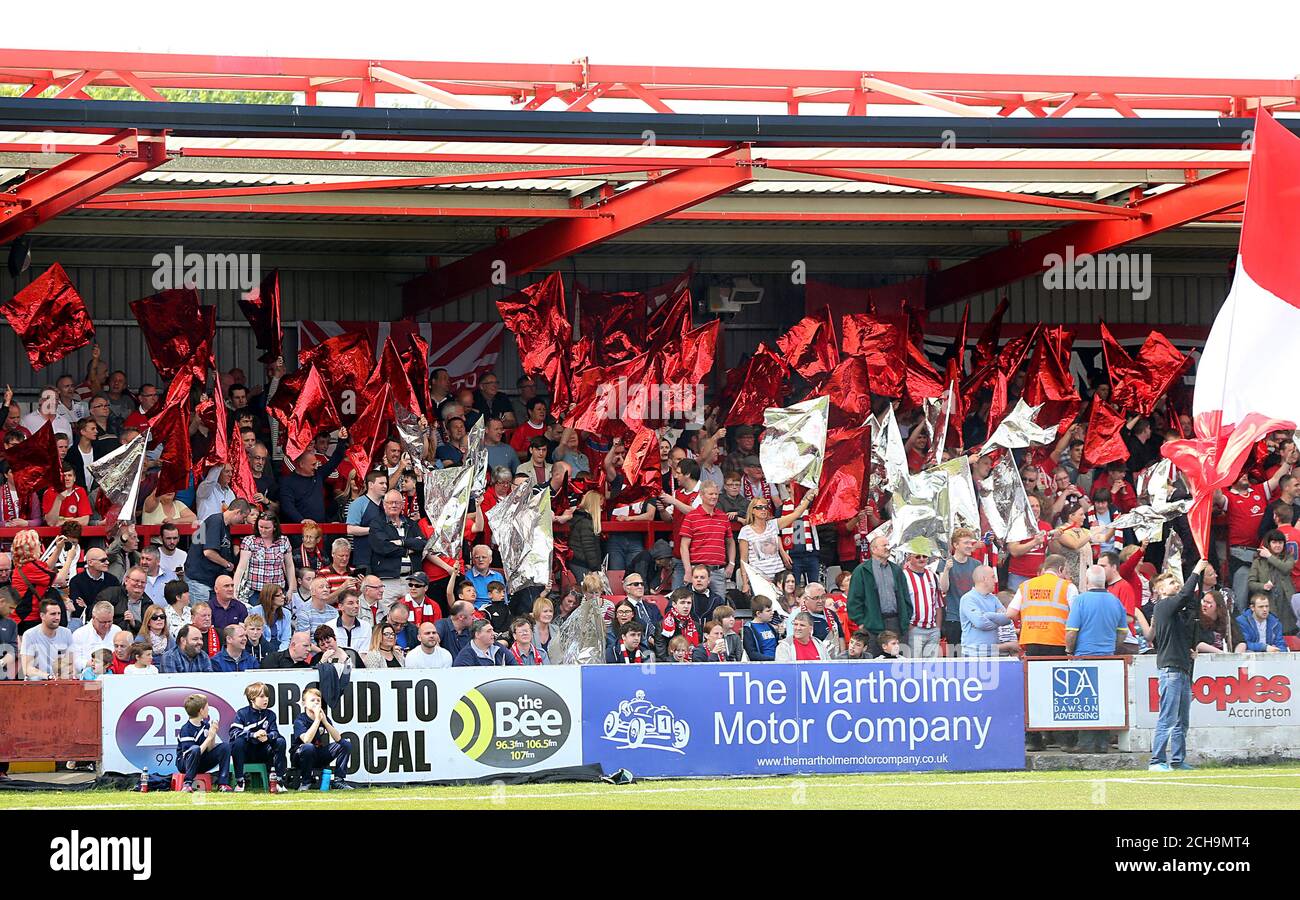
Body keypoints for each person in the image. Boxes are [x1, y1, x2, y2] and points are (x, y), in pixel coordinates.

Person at [1149, 559, 1211, 772]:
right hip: (1171, 669)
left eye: (1176, 582)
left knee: (1181, 720)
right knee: (1167, 717)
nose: (1175, 585)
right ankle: (1157, 760)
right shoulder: (1163, 606)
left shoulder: (1175, 613)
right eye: (1170, 583)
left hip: (1182, 668)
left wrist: (1189, 650)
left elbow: (1189, 613)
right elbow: (1185, 596)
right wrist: (1195, 572)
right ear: (1159, 590)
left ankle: (1177, 758)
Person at [1063, 565, 1129, 753]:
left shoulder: (1081, 601)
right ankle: (1102, 744)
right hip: (1107, 658)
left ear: (1086, 581)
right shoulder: (1115, 601)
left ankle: (1086, 744)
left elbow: (1071, 631)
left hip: (1084, 657)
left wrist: (1069, 652)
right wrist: (1111, 647)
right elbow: (1123, 632)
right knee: (1104, 700)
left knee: (1085, 701)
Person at [846, 536, 912, 656]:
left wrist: (906, 619)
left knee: (899, 663)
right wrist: (862, 623)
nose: (888, 548)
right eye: (884, 545)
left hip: (896, 623)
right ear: (874, 549)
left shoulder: (896, 570)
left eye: (888, 545)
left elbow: (906, 596)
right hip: (872, 625)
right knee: (872, 661)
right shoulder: (862, 571)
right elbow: (854, 600)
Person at [185, 499, 252, 604]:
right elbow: (208, 552)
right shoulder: (215, 521)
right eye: (243, 517)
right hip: (200, 581)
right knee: (202, 615)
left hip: (210, 582)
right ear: (237, 512)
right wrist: (227, 564)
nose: (243, 521)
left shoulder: (225, 526)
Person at [677, 481, 736, 601]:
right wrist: (688, 570)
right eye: (710, 494)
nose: (714, 497)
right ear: (701, 495)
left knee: (719, 608)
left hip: (718, 570)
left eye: (716, 494)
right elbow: (684, 546)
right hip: (697, 570)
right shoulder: (691, 516)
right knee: (693, 605)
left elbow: (730, 542)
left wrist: (732, 563)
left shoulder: (723, 517)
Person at [369, 489, 427, 608]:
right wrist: (407, 550)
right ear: (384, 505)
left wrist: (401, 542)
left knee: (412, 615)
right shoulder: (377, 524)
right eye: (390, 502)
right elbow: (383, 547)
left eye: (397, 502)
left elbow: (422, 543)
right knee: (384, 615)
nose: (394, 505)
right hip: (388, 580)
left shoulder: (411, 524)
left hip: (411, 581)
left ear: (402, 505)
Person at [280, 430, 350, 525]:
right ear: (301, 464)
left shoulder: (318, 474)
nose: (316, 467)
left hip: (320, 529)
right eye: (313, 465)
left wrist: (341, 440)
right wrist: (301, 520)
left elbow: (335, 460)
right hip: (300, 530)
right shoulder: (287, 482)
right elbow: (287, 506)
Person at [292, 687, 354, 790]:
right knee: (308, 747)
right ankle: (305, 782)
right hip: (300, 756)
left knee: (345, 744)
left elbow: (338, 738)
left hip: (317, 753)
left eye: (318, 700)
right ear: (304, 704)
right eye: (312, 700)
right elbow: (306, 740)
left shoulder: (323, 717)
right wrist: (317, 720)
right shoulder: (300, 720)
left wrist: (324, 721)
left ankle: (339, 780)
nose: (316, 703)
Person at [229, 682, 287, 793]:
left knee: (280, 741)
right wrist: (253, 735)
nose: (266, 699)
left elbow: (275, 732)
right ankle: (240, 781)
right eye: (261, 696)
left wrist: (267, 737)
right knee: (238, 742)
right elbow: (234, 733)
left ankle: (279, 781)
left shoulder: (270, 715)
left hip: (263, 752)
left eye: (266, 696)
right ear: (252, 699)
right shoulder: (242, 713)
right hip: (246, 753)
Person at [176, 693, 233, 792]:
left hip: (201, 762)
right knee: (195, 749)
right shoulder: (186, 729)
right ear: (201, 711)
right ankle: (187, 784)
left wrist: (213, 734)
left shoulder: (205, 726)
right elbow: (190, 754)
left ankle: (223, 784)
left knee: (225, 747)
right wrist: (209, 737)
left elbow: (210, 749)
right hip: (186, 764)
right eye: (207, 707)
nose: (209, 709)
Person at [233, 512, 296, 602]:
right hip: (255, 590)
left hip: (277, 591)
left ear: (274, 527)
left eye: (267, 528)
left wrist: (291, 589)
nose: (263, 530)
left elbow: (289, 566)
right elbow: (241, 567)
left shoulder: (283, 540)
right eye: (260, 527)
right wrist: (235, 589)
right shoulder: (249, 540)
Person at [1247, 530, 1298, 634]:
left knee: (1288, 630)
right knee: (1270, 631)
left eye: (1280, 543)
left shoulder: (1288, 558)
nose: (1278, 545)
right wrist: (1263, 586)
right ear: (1268, 544)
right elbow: (1251, 583)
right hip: (1267, 600)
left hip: (1286, 600)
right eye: (1274, 542)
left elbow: (1285, 568)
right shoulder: (1258, 561)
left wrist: (1269, 556)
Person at [901, 549, 943, 658]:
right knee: (915, 667)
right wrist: (909, 626)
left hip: (933, 629)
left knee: (932, 668)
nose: (922, 559)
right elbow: (900, 603)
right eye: (918, 556)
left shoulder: (933, 575)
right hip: (915, 628)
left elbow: (938, 603)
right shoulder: (903, 576)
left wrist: (938, 627)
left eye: (924, 556)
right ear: (909, 557)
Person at [19, 599, 75, 679]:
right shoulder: (29, 635)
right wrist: (49, 677)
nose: (57, 617)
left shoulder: (67, 633)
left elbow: (71, 663)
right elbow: (27, 669)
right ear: (42, 616)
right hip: (37, 683)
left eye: (59, 614)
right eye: (53, 614)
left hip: (59, 681)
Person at [70, 600, 121, 671]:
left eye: (110, 621)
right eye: (103, 622)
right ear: (93, 618)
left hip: (113, 675)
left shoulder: (117, 630)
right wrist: (95, 664)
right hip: (88, 676)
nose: (107, 625)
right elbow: (75, 662)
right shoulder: (79, 634)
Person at [453, 619, 518, 666]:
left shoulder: (498, 647)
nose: (494, 634)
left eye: (492, 630)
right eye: (488, 631)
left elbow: (514, 666)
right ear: (477, 635)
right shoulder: (465, 656)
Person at [331, 589, 372, 654]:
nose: (356, 606)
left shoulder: (366, 626)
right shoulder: (330, 626)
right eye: (351, 603)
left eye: (357, 602)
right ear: (340, 607)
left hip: (360, 663)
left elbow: (364, 653)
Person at [254, 584, 293, 652]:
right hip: (261, 647)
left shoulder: (287, 613)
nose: (283, 597)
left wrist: (280, 653)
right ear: (269, 597)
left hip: (280, 647)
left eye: (283, 594)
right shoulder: (255, 612)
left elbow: (286, 638)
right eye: (279, 595)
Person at [742, 596, 780, 661]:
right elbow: (752, 654)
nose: (772, 613)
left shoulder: (770, 626)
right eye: (768, 611)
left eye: (772, 610)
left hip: (776, 662)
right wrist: (773, 659)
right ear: (758, 613)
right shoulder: (749, 629)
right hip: (762, 665)